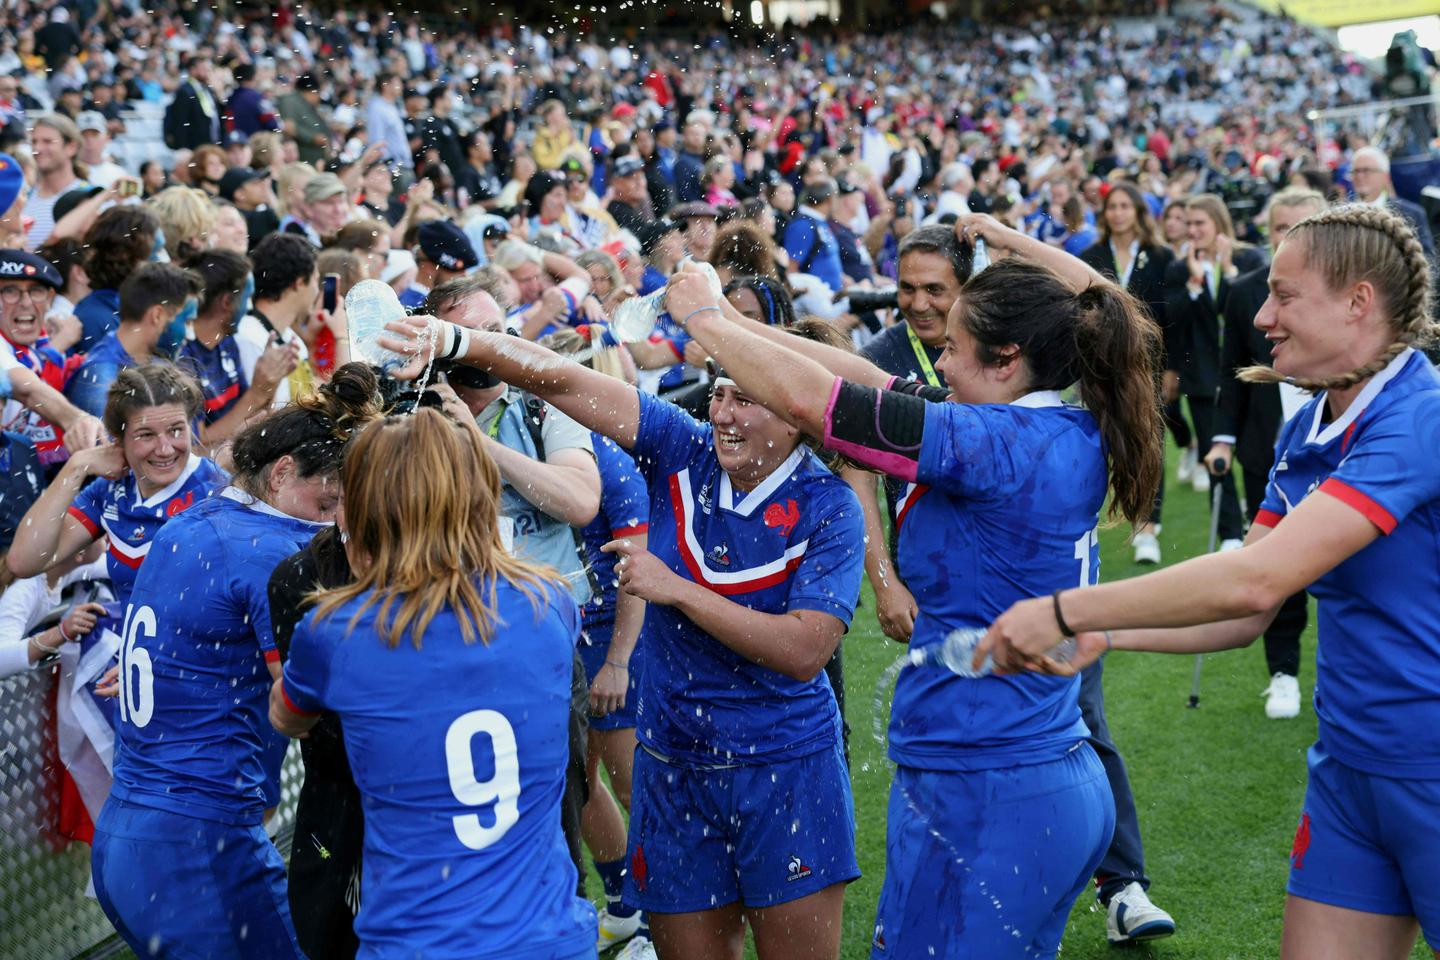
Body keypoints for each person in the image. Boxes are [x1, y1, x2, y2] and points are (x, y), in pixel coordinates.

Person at [645, 209, 1166, 958]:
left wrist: (701, 316)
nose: (940, 364)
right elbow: (865, 379)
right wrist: (730, 319)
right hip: (1031, 771)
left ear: (1009, 357)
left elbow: (817, 405)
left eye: (953, 348)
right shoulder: (1057, 425)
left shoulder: (996, 443)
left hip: (986, 787)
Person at [983, 203, 1440, 960]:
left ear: (1359, 301)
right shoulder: (1307, 428)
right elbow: (1247, 617)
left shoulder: (1419, 417)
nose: (1262, 315)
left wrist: (1065, 610)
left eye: (1285, 296)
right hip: (1351, 772)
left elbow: (1256, 581)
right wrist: (1107, 633)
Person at [380, 297, 867, 960]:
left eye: (745, 400)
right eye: (719, 393)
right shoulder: (682, 448)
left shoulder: (829, 506)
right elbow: (565, 379)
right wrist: (457, 339)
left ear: (798, 412)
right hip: (671, 766)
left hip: (783, 768)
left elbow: (804, 651)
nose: (721, 414)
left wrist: (678, 591)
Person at [270, 408, 597, 959]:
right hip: (548, 937)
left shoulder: (337, 632)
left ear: (364, 515)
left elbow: (288, 715)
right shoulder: (550, 601)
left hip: (420, 941)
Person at [92, 365, 380, 958]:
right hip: (196, 842)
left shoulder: (192, 521)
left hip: (134, 828)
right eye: (330, 501)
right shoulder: (269, 551)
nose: (334, 520)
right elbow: (316, 704)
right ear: (280, 474)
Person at [541, 328, 650, 953]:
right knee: (576, 784)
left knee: (636, 786)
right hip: (561, 635)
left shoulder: (609, 457)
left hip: (611, 634)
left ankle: (668, 915)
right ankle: (624, 905)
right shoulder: (534, 441)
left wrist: (618, 662)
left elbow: (635, 566)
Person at [1203, 188, 1327, 719]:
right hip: (1271, 451)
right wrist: (1222, 438)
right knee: (1278, 570)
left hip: (1343, 449)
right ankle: (1282, 673)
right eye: (1281, 229)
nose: (1290, 238)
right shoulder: (1248, 294)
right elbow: (1234, 376)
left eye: (1303, 227)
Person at [7, 363, 226, 607]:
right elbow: (24, 561)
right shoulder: (112, 490)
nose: (165, 449)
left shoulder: (219, 493)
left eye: (175, 430)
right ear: (119, 439)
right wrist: (77, 466)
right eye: (146, 435)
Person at [1078, 182, 1176, 564]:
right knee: (1103, 441)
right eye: (1112, 206)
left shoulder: (1160, 255)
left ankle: (1149, 526)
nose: (1118, 213)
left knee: (1148, 441)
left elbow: (1169, 317)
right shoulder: (1091, 255)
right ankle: (1100, 516)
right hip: (1100, 365)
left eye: (1125, 206)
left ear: (1138, 212)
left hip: (1148, 363)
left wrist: (1170, 369)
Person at [1163, 194, 1267, 547]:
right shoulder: (1180, 269)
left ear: (1218, 224)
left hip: (1250, 373)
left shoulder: (1249, 258)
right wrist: (1194, 286)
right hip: (1204, 377)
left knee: (1258, 452)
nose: (1192, 231)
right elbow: (1172, 322)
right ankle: (1230, 535)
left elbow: (1248, 312)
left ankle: (1264, 521)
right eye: (1189, 224)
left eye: (1199, 224)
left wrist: (1230, 272)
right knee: (1214, 454)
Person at [180, 248, 299, 444]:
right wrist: (257, 393)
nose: (251, 307)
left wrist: (271, 380)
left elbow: (252, 418)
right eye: (248, 298)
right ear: (227, 302)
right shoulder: (184, 358)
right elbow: (197, 443)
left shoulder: (226, 341)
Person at [68, 263, 199, 416]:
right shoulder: (101, 380)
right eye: (186, 321)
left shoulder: (155, 362)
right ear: (157, 315)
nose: (191, 335)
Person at [1, 249, 83, 470]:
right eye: (10, 291)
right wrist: (78, 420)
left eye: (36, 291)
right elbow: (27, 387)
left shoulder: (42, 342)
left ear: (49, 300)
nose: (26, 302)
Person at [73, 205, 160, 353]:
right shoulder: (96, 319)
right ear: (128, 257)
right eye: (155, 252)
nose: (161, 261)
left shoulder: (129, 306)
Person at [1348, 146, 1434, 254]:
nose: (1359, 176)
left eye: (1366, 170)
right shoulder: (1343, 214)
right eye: (1355, 171)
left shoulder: (1412, 214)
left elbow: (1427, 259)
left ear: (1385, 176)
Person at [24, 113, 89, 248]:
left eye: (47, 142)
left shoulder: (90, 197)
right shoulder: (23, 197)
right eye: (34, 142)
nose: (37, 149)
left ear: (71, 147)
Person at [162, 51, 222, 151]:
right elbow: (180, 123)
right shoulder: (185, 91)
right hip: (194, 146)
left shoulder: (208, 89)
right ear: (192, 70)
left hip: (210, 143)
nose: (207, 72)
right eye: (204, 69)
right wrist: (184, 148)